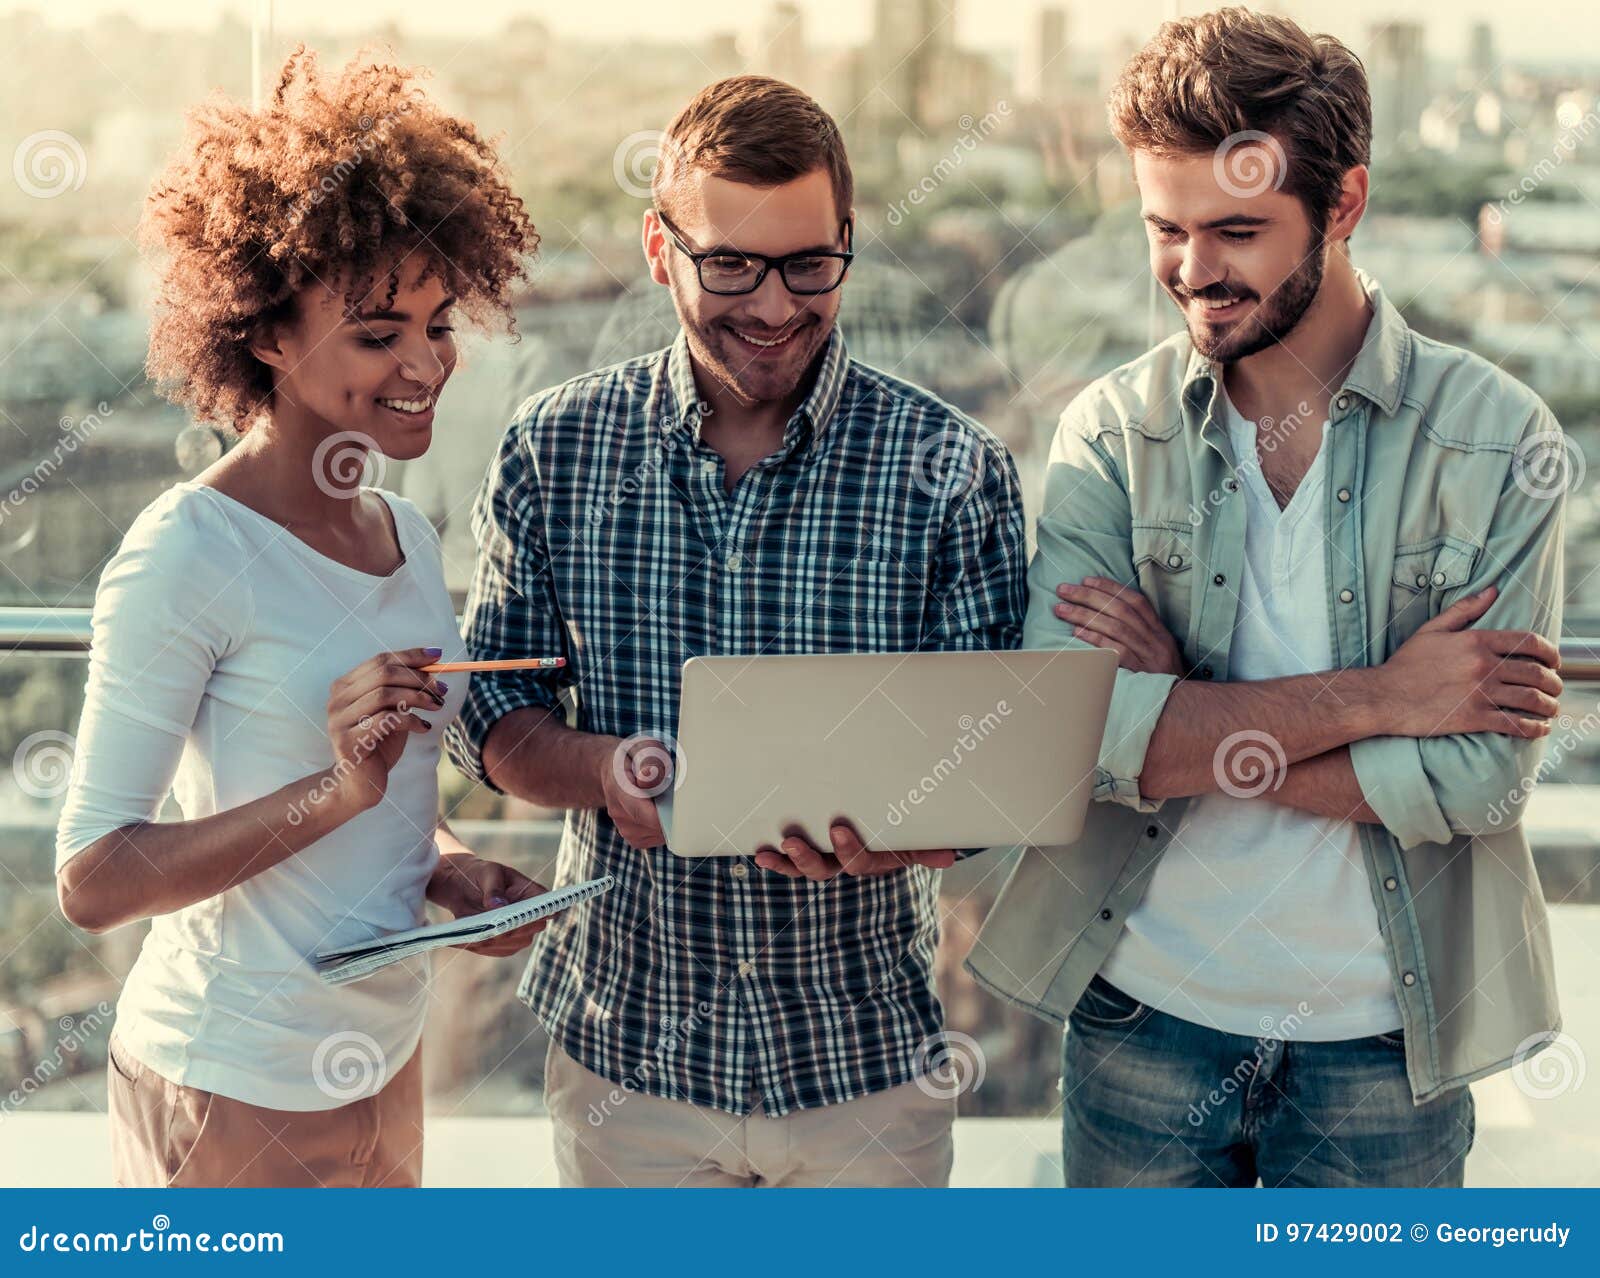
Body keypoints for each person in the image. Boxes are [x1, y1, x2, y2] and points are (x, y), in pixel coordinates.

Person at [967, 7, 1567, 1188]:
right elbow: (1066, 733)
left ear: (1341, 205)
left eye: (1236, 231)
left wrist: (1179, 719)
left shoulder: (1498, 442)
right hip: (1141, 1018)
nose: (1192, 273)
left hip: (1384, 1049)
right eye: (1165, 228)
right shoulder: (1110, 434)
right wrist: (1387, 697)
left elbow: (1477, 778)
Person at [443, 75, 1026, 1188]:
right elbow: (494, 718)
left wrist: (894, 837)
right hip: (629, 1059)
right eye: (730, 266)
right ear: (660, 250)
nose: (771, 306)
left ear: (848, 243)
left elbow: (990, 774)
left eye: (810, 265)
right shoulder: (552, 451)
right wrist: (607, 770)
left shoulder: (953, 469)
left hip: (865, 1069)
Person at [54, 47, 543, 1188]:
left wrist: (452, 870)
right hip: (229, 1084)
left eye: (437, 323)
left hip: (379, 1062)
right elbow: (94, 879)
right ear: (266, 332)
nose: (425, 363)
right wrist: (339, 788)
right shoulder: (187, 552)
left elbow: (379, 821)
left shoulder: (405, 534)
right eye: (379, 333)